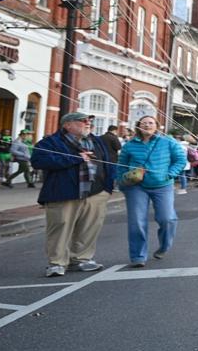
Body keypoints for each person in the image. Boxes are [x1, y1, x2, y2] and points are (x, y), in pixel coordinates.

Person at [30, 112, 112, 277]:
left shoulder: (96, 141)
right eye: (83, 121)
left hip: (95, 192)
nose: (88, 123)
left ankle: (81, 259)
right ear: (67, 125)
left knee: (89, 227)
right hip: (63, 193)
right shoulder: (50, 142)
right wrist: (75, 158)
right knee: (60, 227)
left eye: (89, 121)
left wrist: (107, 188)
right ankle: (57, 263)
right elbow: (38, 161)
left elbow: (107, 162)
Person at [116, 115, 188, 267]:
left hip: (162, 185)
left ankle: (164, 246)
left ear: (157, 125)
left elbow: (180, 160)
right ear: (138, 126)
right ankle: (138, 256)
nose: (147, 125)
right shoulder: (130, 145)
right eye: (144, 123)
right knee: (136, 221)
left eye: (151, 123)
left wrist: (170, 174)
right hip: (136, 187)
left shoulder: (168, 141)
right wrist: (122, 181)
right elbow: (121, 165)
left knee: (167, 218)